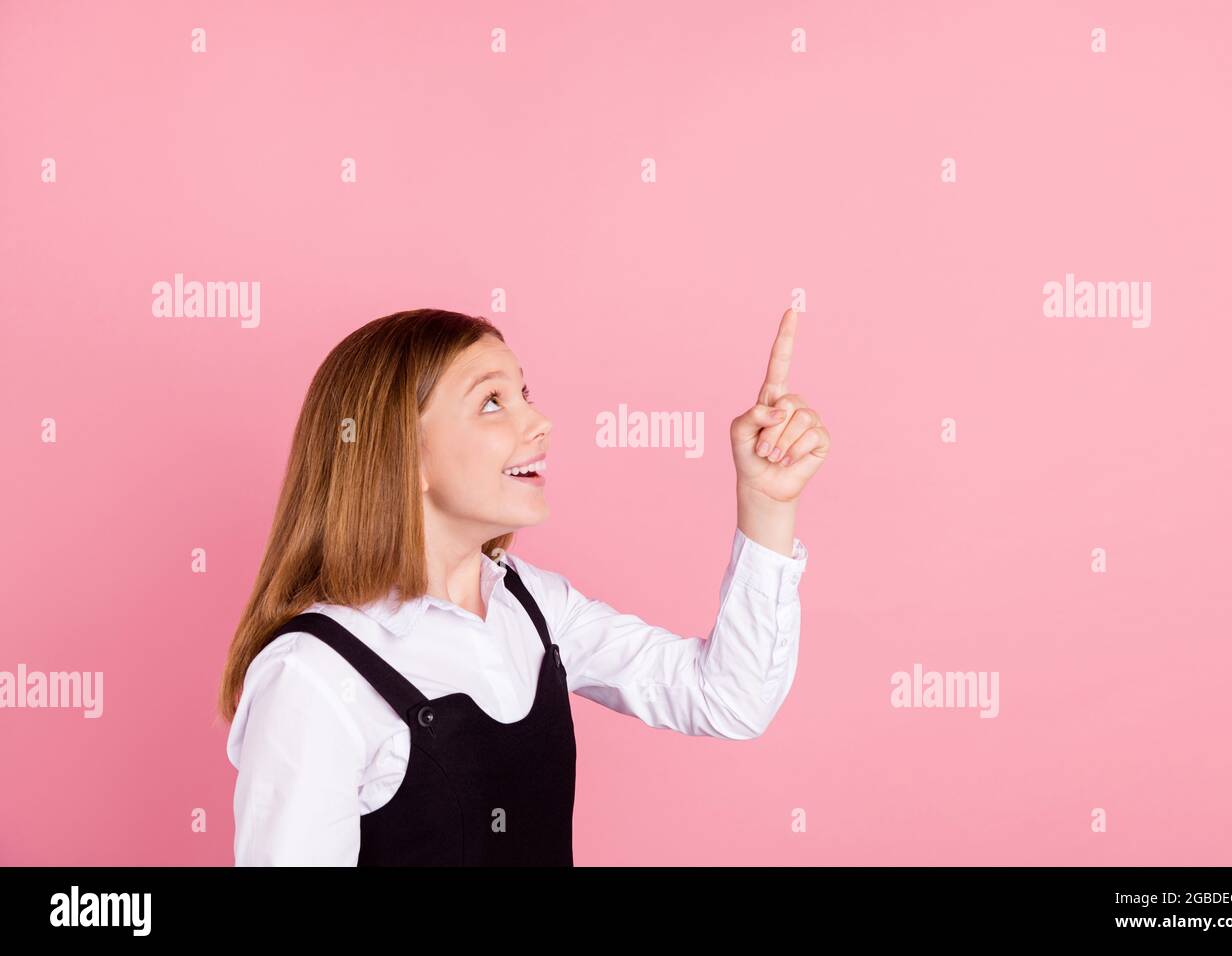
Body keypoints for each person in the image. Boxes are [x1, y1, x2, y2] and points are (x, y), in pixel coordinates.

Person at [217, 306, 830, 865]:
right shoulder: (313, 675)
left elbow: (728, 698)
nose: (539, 422)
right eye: (492, 402)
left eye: (525, 395)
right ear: (406, 454)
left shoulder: (534, 607)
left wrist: (767, 504)